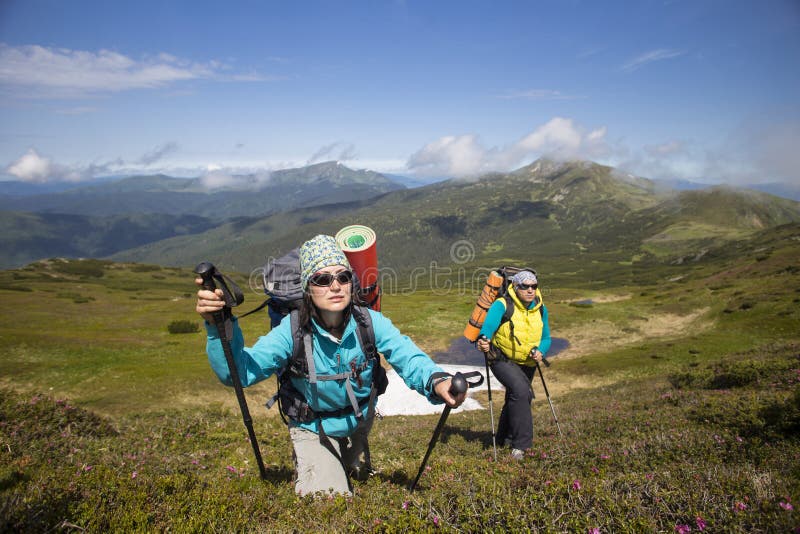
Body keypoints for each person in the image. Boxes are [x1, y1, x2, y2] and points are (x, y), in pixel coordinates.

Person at [195, 234, 466, 495]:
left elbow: (408, 356)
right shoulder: (290, 332)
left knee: (351, 472)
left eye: (343, 276)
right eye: (322, 279)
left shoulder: (369, 322)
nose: (335, 286)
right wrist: (218, 325)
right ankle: (311, 457)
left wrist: (436, 380)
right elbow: (239, 373)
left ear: (352, 283)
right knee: (331, 498)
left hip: (360, 420)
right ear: (307, 288)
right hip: (312, 426)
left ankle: (336, 462)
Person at [476, 270, 551, 460]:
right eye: (524, 286)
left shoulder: (541, 308)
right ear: (515, 287)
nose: (530, 290)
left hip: (527, 362)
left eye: (533, 286)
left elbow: (547, 337)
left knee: (515, 397)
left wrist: (541, 350)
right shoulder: (502, 305)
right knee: (521, 391)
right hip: (501, 358)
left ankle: (504, 439)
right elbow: (488, 328)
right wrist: (483, 339)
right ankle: (521, 446)